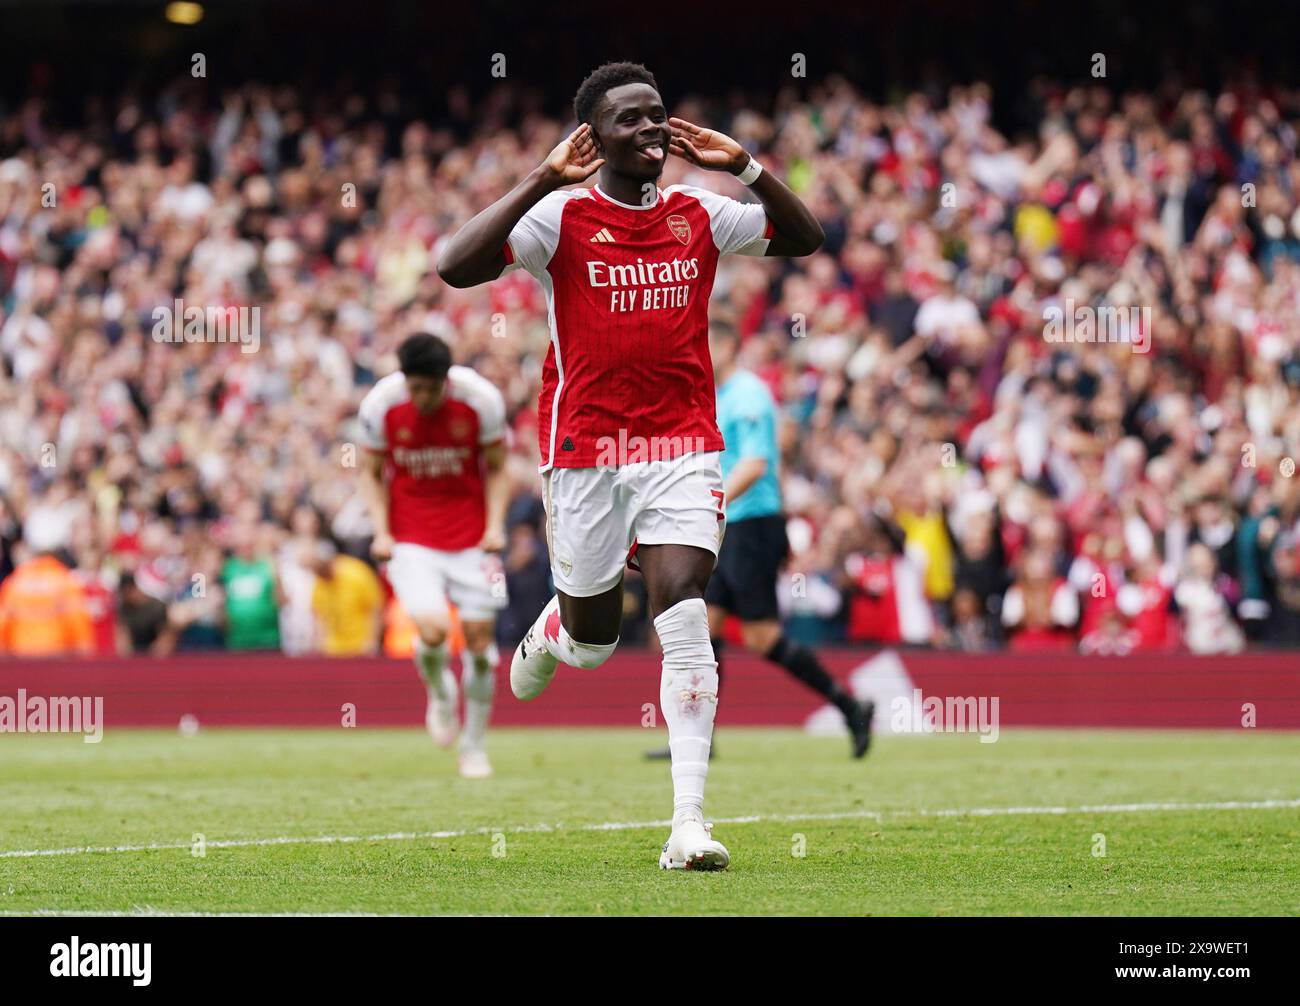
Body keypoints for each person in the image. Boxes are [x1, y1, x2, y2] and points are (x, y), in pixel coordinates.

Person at [437, 61, 824, 869]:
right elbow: (456, 263)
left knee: (681, 600)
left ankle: (688, 824)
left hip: (682, 444)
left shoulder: (700, 212)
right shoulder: (562, 218)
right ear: (595, 138)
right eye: (630, 120)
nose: (651, 129)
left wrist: (745, 165)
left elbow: (804, 237)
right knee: (594, 638)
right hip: (585, 451)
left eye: (658, 115)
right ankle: (556, 627)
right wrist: (539, 177)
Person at [646, 319, 875, 761]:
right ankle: (698, 740)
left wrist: (706, 504)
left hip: (750, 524)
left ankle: (850, 706)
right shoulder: (717, 395)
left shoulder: (748, 394)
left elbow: (754, 465)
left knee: (761, 637)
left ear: (728, 343)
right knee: (702, 626)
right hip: (735, 523)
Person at [358, 333, 510, 779]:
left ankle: (474, 747)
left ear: (446, 380)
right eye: (415, 388)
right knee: (433, 628)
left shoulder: (481, 400)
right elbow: (368, 473)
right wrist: (382, 531)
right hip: (411, 539)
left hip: (472, 539)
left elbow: (498, 467)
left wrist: (496, 525)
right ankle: (441, 695)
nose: (422, 398)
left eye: (430, 388)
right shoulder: (380, 405)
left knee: (481, 645)